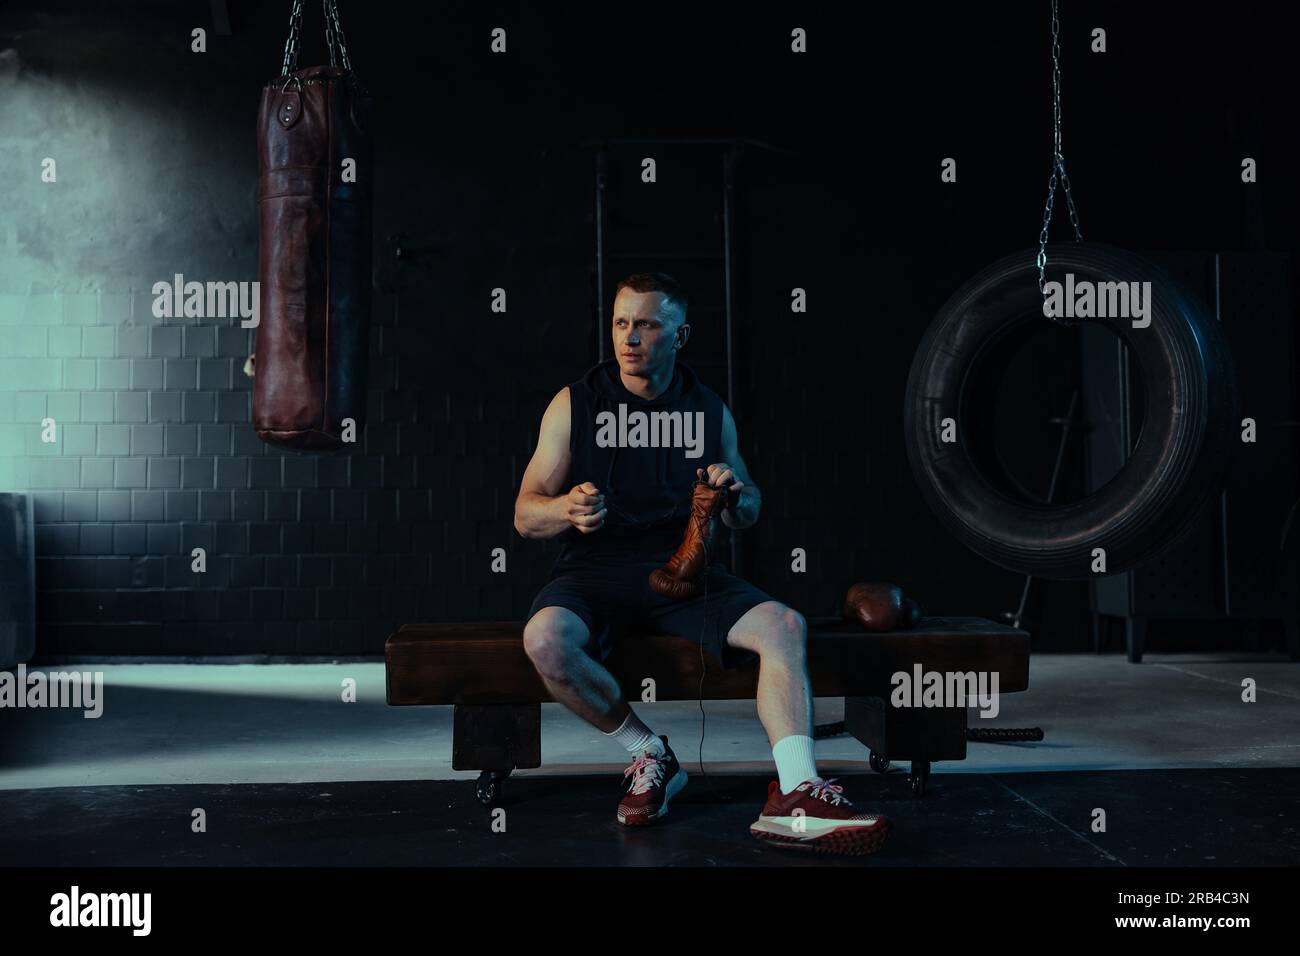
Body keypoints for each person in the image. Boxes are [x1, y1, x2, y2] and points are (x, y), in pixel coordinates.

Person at [513, 272, 890, 855]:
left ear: (679, 334)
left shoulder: (708, 409)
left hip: (686, 571)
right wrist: (565, 508)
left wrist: (735, 494)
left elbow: (750, 510)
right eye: (620, 322)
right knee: (544, 641)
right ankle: (649, 753)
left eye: (647, 324)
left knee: (785, 625)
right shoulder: (575, 403)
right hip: (595, 571)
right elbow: (524, 513)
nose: (629, 337)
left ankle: (796, 792)